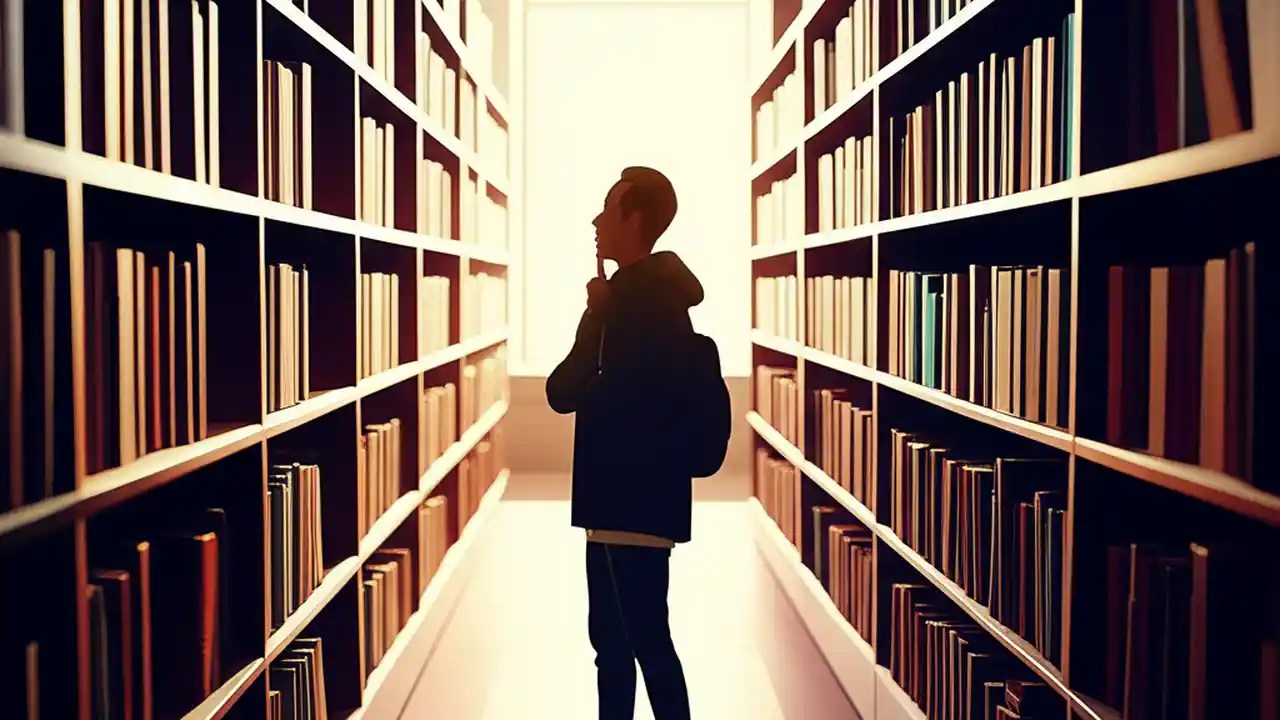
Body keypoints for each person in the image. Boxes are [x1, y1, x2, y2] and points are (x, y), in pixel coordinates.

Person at [545, 166, 703, 720]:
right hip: (638, 501)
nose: (595, 220)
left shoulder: (629, 309)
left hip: (622, 501)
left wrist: (595, 315)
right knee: (628, 646)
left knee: (634, 648)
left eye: (607, 210)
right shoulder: (663, 303)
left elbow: (563, 391)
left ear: (633, 220)